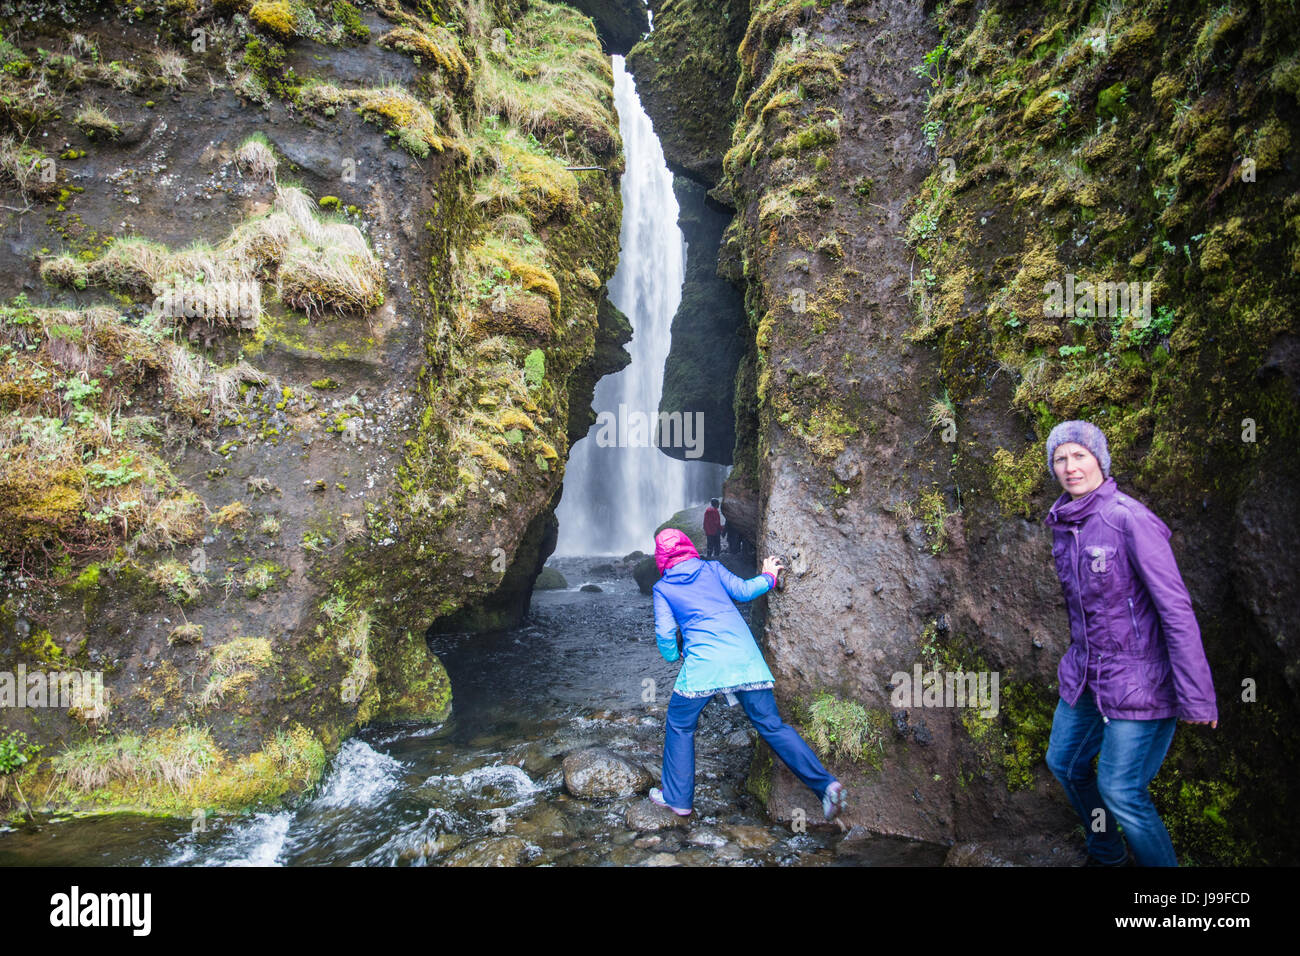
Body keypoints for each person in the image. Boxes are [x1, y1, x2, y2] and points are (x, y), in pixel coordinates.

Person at [1041, 421, 1217, 867]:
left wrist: (1197, 696)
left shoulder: (1128, 519)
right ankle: (1107, 852)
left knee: (1121, 790)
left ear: (1099, 459)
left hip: (1140, 679)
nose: (1070, 466)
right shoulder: (1066, 524)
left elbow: (1176, 610)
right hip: (1086, 675)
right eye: (1061, 458)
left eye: (1079, 455)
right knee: (1064, 764)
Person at [648, 528, 846, 820]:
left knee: (680, 724)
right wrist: (769, 577)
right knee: (772, 726)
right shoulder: (712, 568)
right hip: (746, 660)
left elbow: (665, 638)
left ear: (660, 558)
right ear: (689, 547)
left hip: (704, 666)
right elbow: (743, 591)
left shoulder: (663, 589)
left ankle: (678, 799)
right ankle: (827, 786)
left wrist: (676, 653)